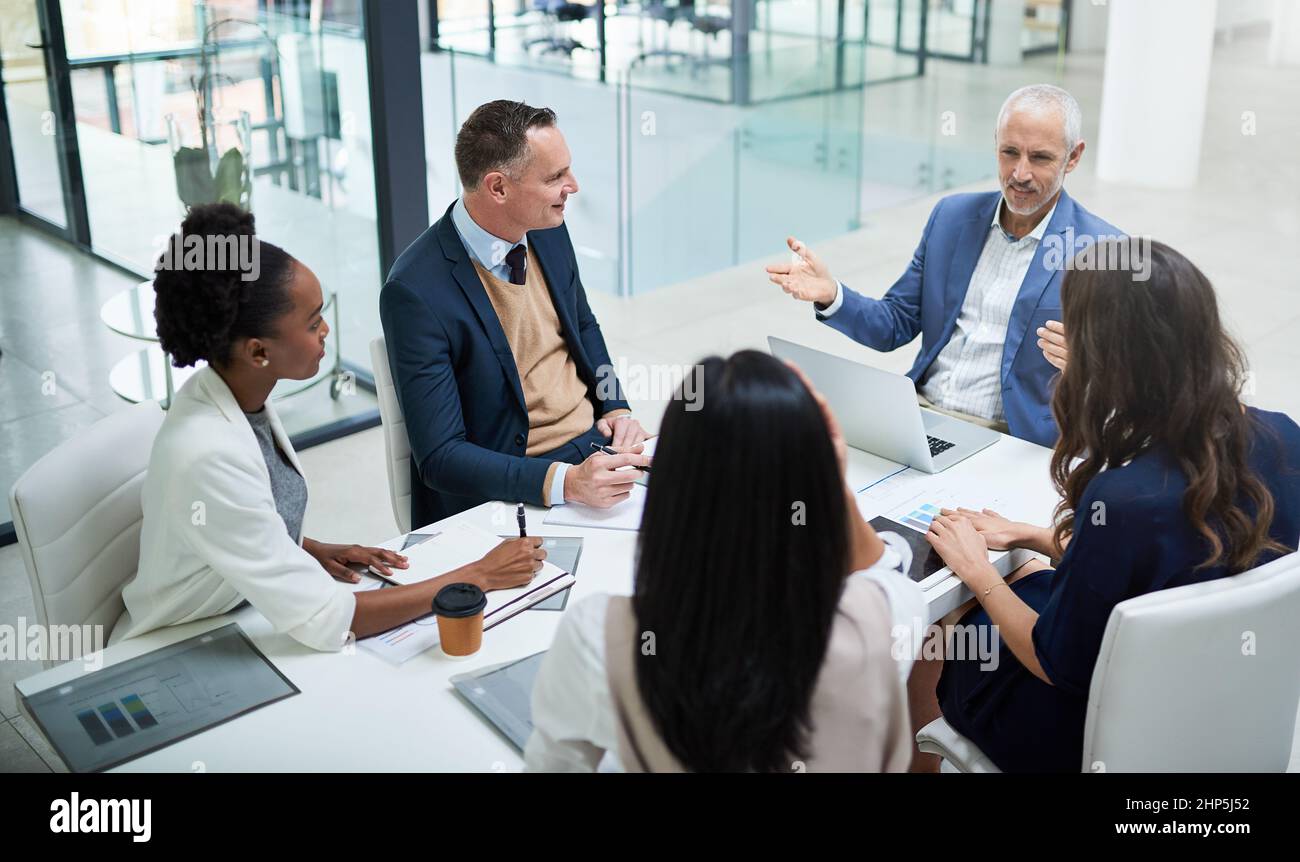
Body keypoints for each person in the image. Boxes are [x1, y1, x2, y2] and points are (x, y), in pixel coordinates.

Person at [915, 239, 1300, 772]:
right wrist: (1034, 538)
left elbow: (1055, 665)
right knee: (1025, 571)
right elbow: (1177, 563)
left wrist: (980, 573)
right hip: (1206, 698)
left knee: (942, 611)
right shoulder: (1284, 436)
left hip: (1083, 731)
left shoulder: (1122, 499)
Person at [118, 204, 545, 652]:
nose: (325, 330)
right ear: (258, 351)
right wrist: (479, 574)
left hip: (238, 609)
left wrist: (306, 548)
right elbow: (330, 621)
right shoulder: (207, 452)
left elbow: (233, 525)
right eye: (311, 322)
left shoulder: (236, 395)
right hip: (180, 646)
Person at [524, 351, 928, 772]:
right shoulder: (887, 616)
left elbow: (553, 765)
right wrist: (828, 474)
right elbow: (882, 565)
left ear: (670, 488)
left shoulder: (598, 637)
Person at [766, 84, 1119, 447]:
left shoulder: (1103, 251)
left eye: (1040, 158)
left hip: (1011, 440)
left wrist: (1089, 367)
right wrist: (832, 295)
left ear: (1073, 157)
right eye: (1009, 152)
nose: (1020, 173)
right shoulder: (952, 217)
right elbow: (894, 324)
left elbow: (1133, 386)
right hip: (918, 419)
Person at [380, 100, 651, 529]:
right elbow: (441, 457)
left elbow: (583, 325)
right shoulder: (414, 290)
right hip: (518, 485)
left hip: (597, 448)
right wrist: (566, 482)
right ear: (498, 187)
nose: (573, 186)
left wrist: (616, 407)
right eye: (555, 177)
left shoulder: (547, 229)